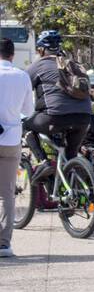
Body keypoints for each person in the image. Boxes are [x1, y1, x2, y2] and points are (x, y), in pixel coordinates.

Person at [23, 30, 92, 165]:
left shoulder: (39, 65)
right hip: (84, 117)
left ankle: (43, 162)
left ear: (42, 50)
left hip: (54, 117)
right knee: (70, 155)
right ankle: (74, 178)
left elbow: (22, 87)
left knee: (24, 126)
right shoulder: (73, 64)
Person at [0, 36, 35, 257]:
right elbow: (28, 111)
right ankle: (4, 243)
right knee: (7, 193)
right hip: (11, 139)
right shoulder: (22, 76)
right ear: (13, 55)